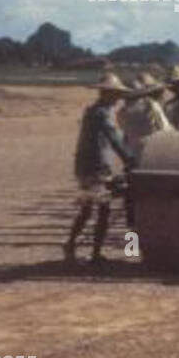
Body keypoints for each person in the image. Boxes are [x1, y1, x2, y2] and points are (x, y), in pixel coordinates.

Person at [64, 73, 137, 266]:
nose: (117, 98)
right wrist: (130, 159)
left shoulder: (93, 110)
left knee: (87, 210)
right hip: (96, 168)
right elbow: (114, 139)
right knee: (102, 210)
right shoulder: (101, 114)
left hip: (85, 165)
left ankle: (72, 246)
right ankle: (92, 252)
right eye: (115, 94)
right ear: (107, 94)